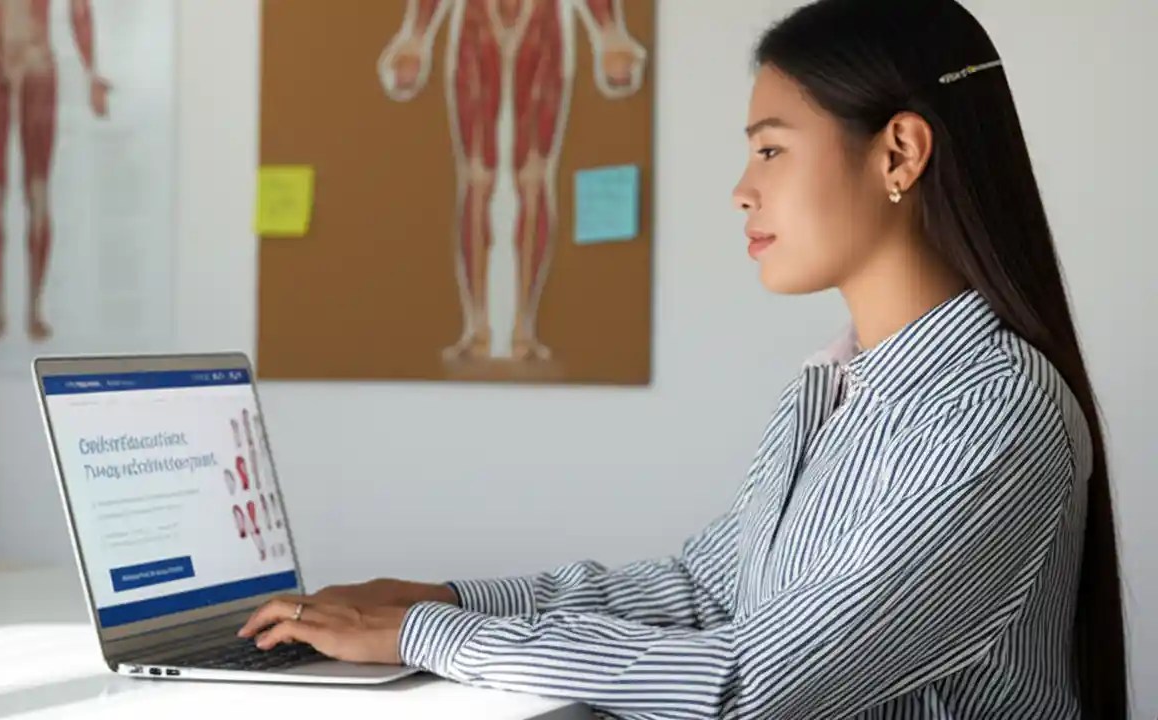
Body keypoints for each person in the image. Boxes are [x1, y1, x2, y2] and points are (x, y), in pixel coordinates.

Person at [240, 0, 1129, 717]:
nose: (743, 189)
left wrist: (425, 634)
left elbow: (756, 684)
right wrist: (455, 598)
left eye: (771, 149)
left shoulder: (995, 415)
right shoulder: (826, 392)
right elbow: (708, 590)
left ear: (898, 151)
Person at [378, 0, 646, 361]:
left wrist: (610, 33)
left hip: (540, 25)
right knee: (477, 175)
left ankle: (523, 327)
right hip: (479, 24)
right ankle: (477, 328)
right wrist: (415, 35)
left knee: (533, 177)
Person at [0, 0, 111, 343]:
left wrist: (91, 74)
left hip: (34, 61)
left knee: (36, 193)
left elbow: (80, 10)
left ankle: (34, 308)